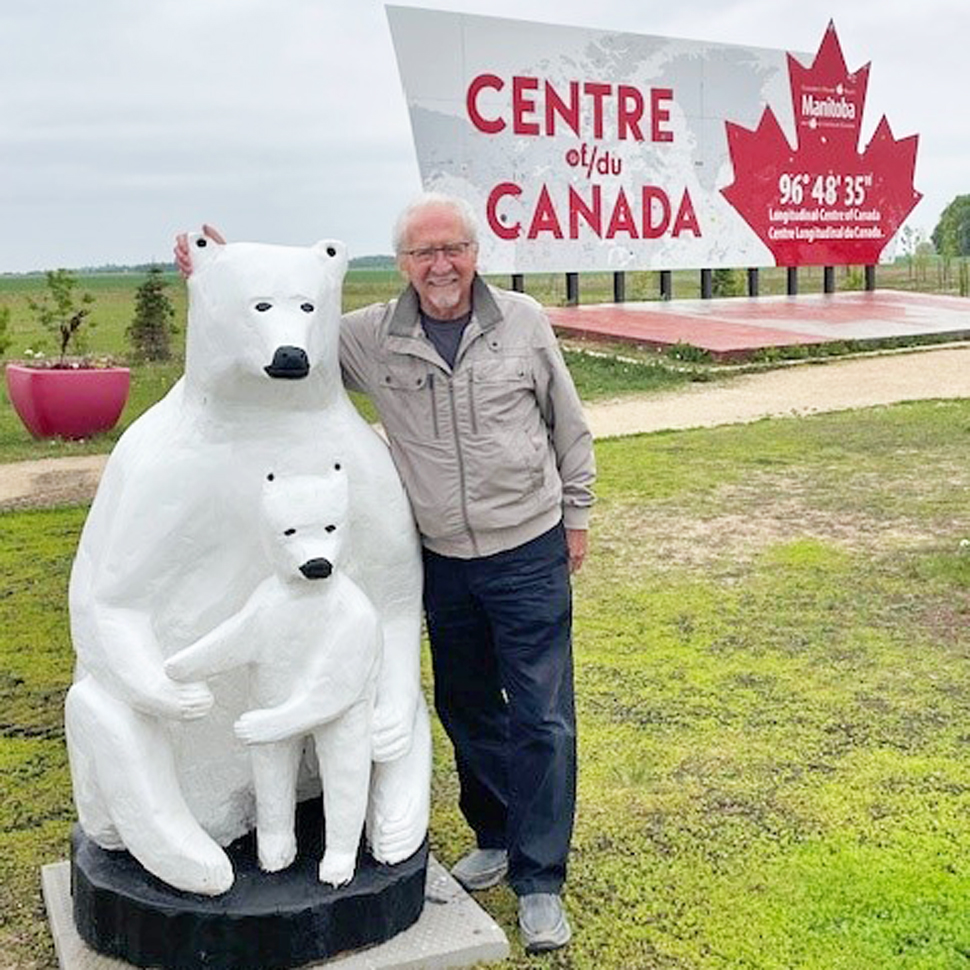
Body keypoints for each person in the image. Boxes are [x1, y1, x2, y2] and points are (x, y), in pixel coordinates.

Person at [175, 193, 595, 953]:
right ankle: (495, 836)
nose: (441, 265)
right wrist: (224, 269)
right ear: (403, 263)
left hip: (527, 549)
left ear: (475, 253)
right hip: (446, 560)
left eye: (453, 248)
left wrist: (576, 515)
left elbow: (569, 423)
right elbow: (287, 325)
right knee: (468, 707)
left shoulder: (523, 323)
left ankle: (539, 881)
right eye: (424, 253)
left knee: (541, 716)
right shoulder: (373, 336)